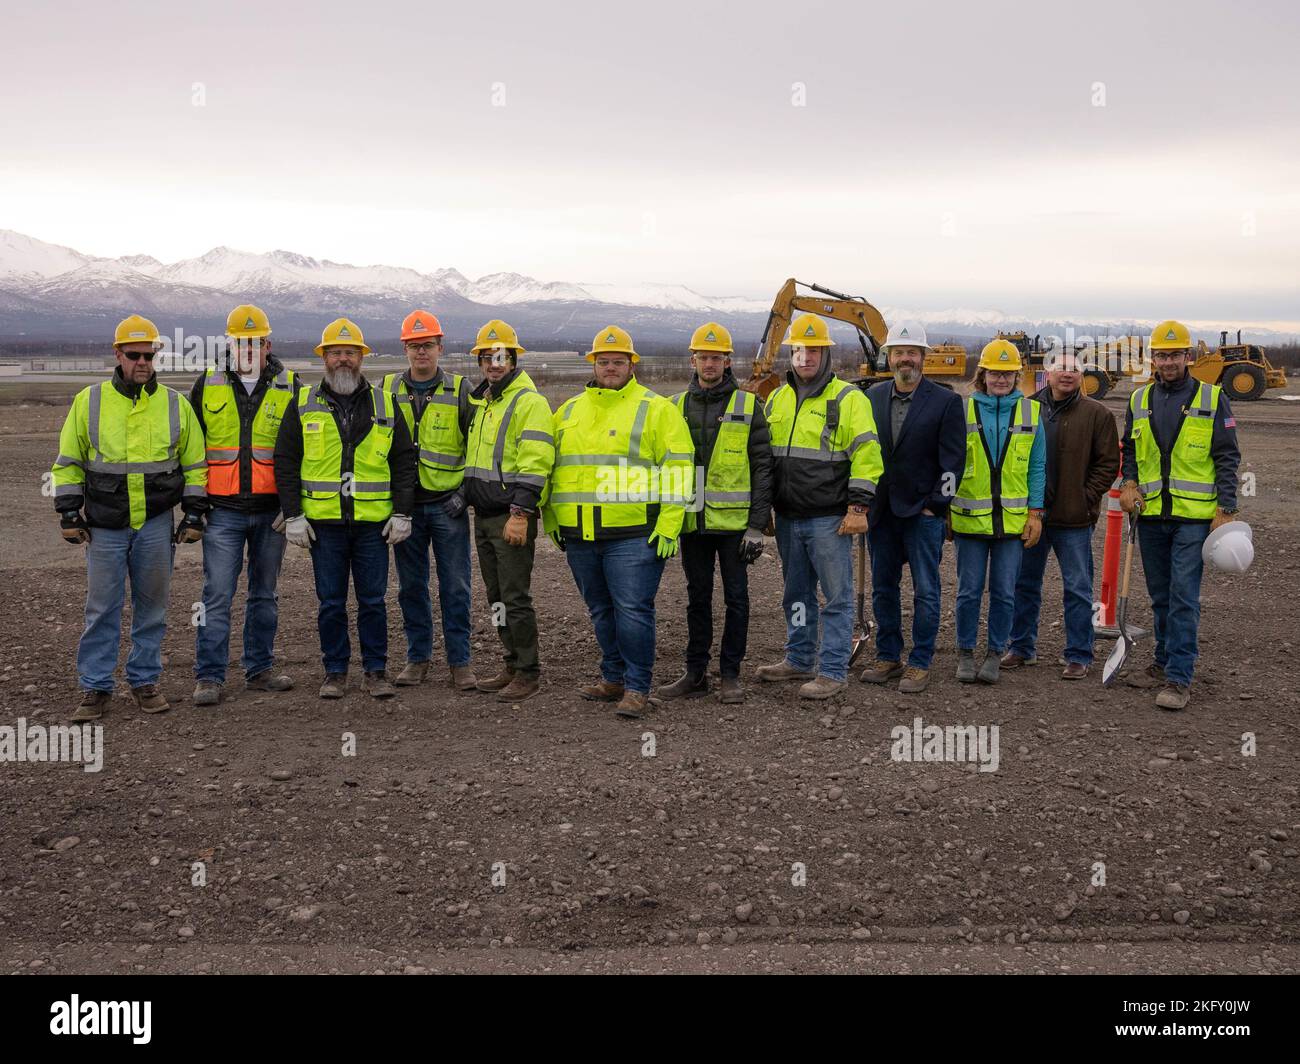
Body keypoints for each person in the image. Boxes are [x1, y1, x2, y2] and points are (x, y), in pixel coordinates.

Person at [52, 314, 207, 721]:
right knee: (101, 607)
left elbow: (195, 465)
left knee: (152, 608)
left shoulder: (176, 405)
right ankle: (96, 687)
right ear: (117, 354)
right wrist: (68, 511)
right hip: (104, 526)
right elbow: (68, 462)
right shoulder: (90, 401)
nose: (143, 362)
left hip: (156, 524)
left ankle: (144, 681)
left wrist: (194, 514)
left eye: (149, 354)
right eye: (134, 355)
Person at [543, 325, 694, 719]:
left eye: (618, 361)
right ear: (594, 364)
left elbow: (678, 468)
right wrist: (551, 515)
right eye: (604, 361)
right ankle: (612, 677)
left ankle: (637, 687)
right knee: (600, 610)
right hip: (580, 535)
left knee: (632, 610)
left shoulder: (656, 408)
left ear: (632, 365)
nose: (611, 367)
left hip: (634, 536)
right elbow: (550, 467)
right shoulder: (570, 411)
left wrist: (669, 523)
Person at [273, 318, 417, 699]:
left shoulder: (385, 403)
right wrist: (293, 515)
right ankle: (334, 672)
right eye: (335, 352)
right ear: (324, 358)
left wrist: (403, 512)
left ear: (361, 358)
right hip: (325, 525)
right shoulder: (303, 403)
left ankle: (375, 672)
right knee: (331, 602)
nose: (343, 359)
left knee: (373, 601)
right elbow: (286, 460)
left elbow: (404, 461)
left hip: (373, 525)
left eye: (350, 353)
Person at [756, 313, 884, 699]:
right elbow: (765, 458)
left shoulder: (848, 399)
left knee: (837, 598)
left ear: (825, 354)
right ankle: (798, 658)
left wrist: (858, 509)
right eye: (798, 350)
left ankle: (831, 670)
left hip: (830, 519)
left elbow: (867, 455)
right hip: (789, 518)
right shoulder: (777, 398)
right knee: (796, 596)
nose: (804, 357)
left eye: (813, 350)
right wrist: (764, 510)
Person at [1119, 319, 1241, 710]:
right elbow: (1131, 452)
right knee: (1159, 597)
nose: (1168, 361)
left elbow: (1226, 455)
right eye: (1161, 354)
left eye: (1175, 354)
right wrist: (1130, 483)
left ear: (1188, 356)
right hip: (1152, 516)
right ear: (1152, 357)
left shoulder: (1212, 397)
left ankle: (1178, 678)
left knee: (1183, 596)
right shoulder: (1139, 400)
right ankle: (1162, 661)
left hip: (1193, 519)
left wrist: (1226, 508)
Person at [658, 322, 772, 704]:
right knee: (697, 598)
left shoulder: (747, 404)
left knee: (737, 599)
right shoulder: (674, 407)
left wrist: (756, 526)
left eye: (717, 358)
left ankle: (730, 674)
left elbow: (762, 466)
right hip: (693, 523)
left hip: (735, 526)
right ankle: (695, 674)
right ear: (693, 360)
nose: (709, 364)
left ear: (727, 361)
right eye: (703, 357)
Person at [189, 305, 297, 707]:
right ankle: (210, 676)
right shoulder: (208, 383)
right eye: (241, 342)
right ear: (230, 344)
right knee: (216, 594)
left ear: (267, 345)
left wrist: (294, 507)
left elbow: (302, 450)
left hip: (272, 514)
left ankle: (259, 670)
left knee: (264, 594)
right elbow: (192, 450)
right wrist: (195, 508)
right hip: (223, 512)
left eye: (256, 342)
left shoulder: (291, 386)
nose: (249, 349)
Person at [861, 321, 965, 693]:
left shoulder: (946, 402)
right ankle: (888, 655)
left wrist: (935, 506)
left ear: (923, 358)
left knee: (926, 589)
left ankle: (920, 661)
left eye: (912, 353)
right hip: (882, 512)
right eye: (898, 352)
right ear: (888, 357)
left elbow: (954, 463)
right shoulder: (871, 398)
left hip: (922, 513)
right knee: (883, 588)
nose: (905, 359)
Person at [1004, 349, 1120, 678]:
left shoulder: (1097, 414)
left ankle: (1079, 653)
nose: (1066, 374)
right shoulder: (1025, 410)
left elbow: (1108, 462)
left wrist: (1084, 496)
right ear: (1047, 373)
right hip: (1031, 516)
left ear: (1081, 376)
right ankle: (1021, 647)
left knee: (1078, 588)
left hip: (1074, 519)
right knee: (1023, 584)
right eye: (1060, 368)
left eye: (1073, 369)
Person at [382, 310, 478, 691]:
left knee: (455, 585)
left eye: (427, 345)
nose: (421, 352)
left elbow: (479, 448)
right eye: (414, 346)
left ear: (440, 347)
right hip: (405, 507)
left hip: (447, 506)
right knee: (411, 586)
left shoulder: (462, 390)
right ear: (405, 349)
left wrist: (464, 494)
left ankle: (461, 662)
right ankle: (417, 658)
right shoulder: (386, 389)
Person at [462, 320, 555, 703]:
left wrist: (520, 513)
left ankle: (528, 671)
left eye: (501, 357)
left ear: (514, 360)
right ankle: (511, 662)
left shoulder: (527, 402)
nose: (494, 364)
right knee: (496, 597)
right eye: (488, 357)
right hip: (484, 518)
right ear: (481, 362)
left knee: (515, 597)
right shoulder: (486, 402)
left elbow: (536, 462)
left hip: (510, 518)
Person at [950, 339, 1046, 684]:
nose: (1002, 379)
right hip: (970, 521)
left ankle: (994, 653)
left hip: (1012, 522)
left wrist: (1035, 514)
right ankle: (964, 653)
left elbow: (1037, 467)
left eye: (1008, 374)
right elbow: (950, 463)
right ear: (983, 375)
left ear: (1017, 375)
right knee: (968, 591)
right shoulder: (962, 410)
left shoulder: (1031, 413)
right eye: (995, 373)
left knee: (1005, 591)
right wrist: (946, 508)